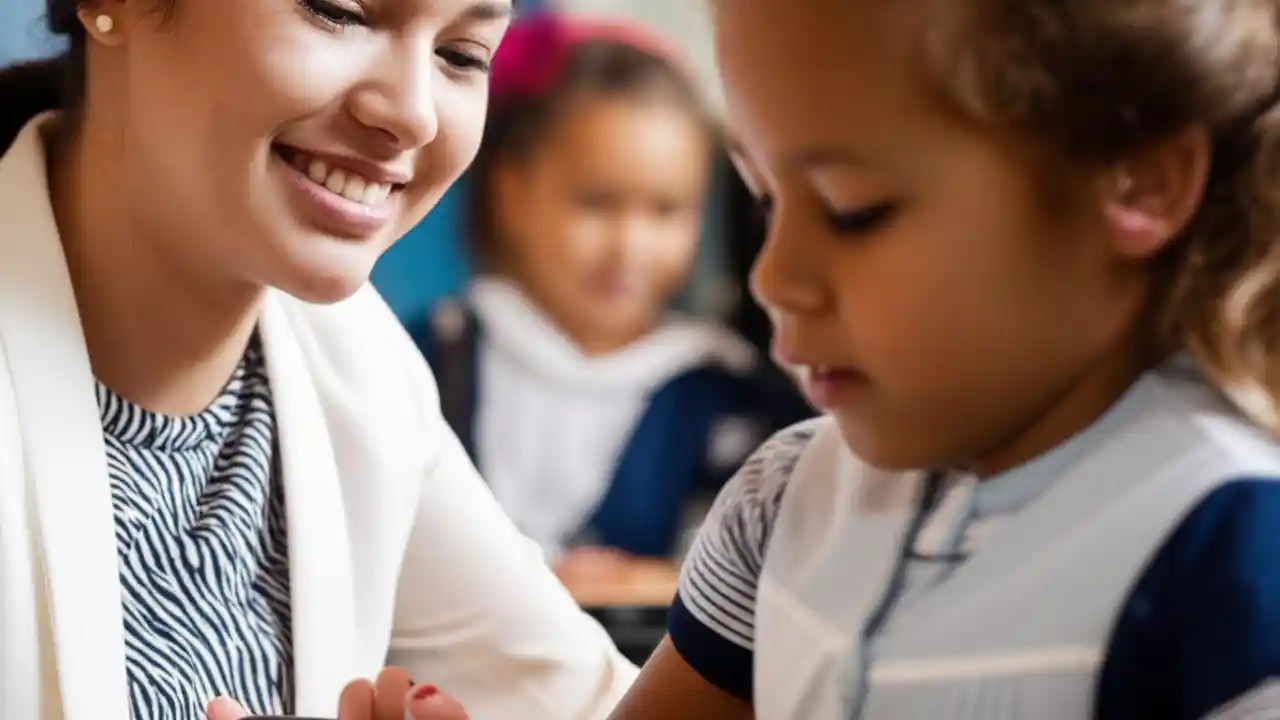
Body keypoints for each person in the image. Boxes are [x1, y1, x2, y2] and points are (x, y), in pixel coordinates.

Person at [604, 1, 1280, 718]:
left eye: (851, 208)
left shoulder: (1231, 569)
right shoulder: (782, 503)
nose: (774, 277)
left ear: (1136, 181)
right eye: (763, 199)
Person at [0, 0, 637, 718]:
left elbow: (596, 701)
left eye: (462, 55)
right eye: (336, 12)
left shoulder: (354, 362)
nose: (414, 114)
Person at [410, 13, 812, 574]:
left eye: (665, 210)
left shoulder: (736, 396)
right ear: (512, 191)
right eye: (597, 203)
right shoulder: (421, 362)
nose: (629, 247)